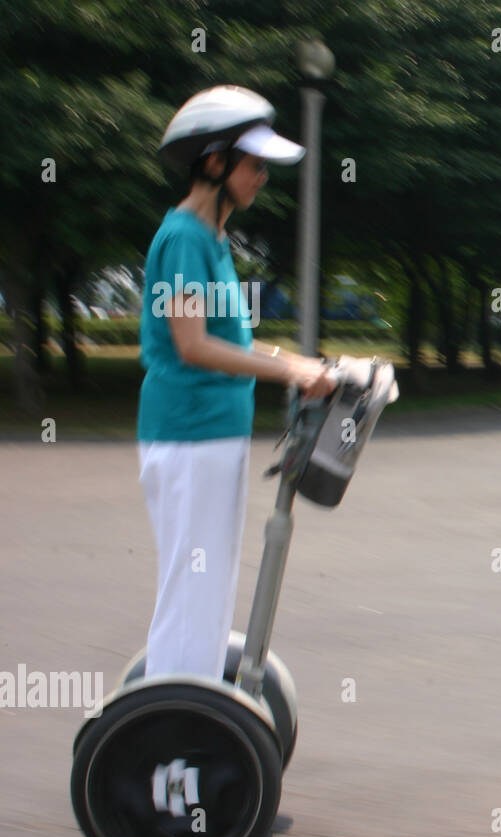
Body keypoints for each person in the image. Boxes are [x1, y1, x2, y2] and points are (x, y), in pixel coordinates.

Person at [139, 85, 334, 678]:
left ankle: (192, 719)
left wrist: (307, 367)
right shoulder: (184, 239)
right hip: (188, 436)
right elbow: (192, 344)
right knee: (191, 594)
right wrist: (288, 369)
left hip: (213, 438)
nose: (262, 177)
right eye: (254, 165)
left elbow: (235, 344)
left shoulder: (216, 241)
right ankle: (173, 747)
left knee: (210, 592)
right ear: (215, 161)